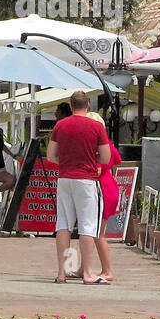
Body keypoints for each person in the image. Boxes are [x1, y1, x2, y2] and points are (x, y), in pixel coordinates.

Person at [48, 90, 112, 285]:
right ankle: (88, 273)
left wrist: (67, 162)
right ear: (88, 105)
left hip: (65, 178)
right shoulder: (96, 127)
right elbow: (106, 157)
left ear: (70, 105)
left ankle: (62, 271)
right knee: (87, 226)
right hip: (87, 179)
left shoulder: (60, 125)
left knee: (63, 225)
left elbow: (51, 155)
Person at [87, 111, 122, 281]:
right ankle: (84, 267)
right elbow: (117, 159)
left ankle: (107, 270)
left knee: (97, 233)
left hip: (102, 189)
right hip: (108, 187)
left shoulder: (98, 147)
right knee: (92, 232)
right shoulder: (107, 144)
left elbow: (97, 168)